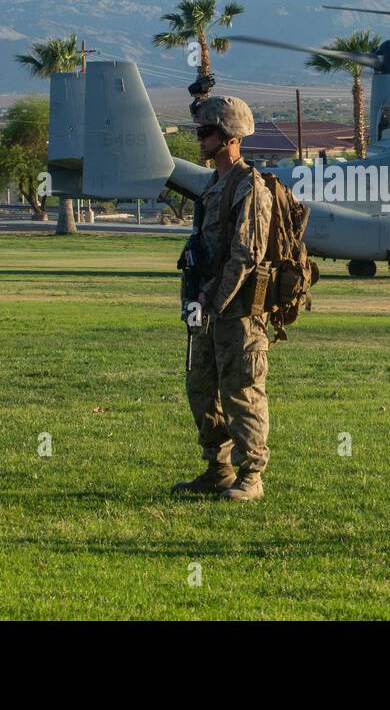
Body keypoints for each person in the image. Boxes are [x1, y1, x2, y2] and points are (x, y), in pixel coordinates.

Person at [173, 96, 273, 501]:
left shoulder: (250, 187)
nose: (200, 139)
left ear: (230, 137)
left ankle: (252, 475)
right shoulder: (213, 186)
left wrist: (212, 303)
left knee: (242, 392)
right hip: (210, 309)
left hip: (239, 313)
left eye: (207, 132)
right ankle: (218, 468)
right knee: (201, 388)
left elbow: (245, 254)